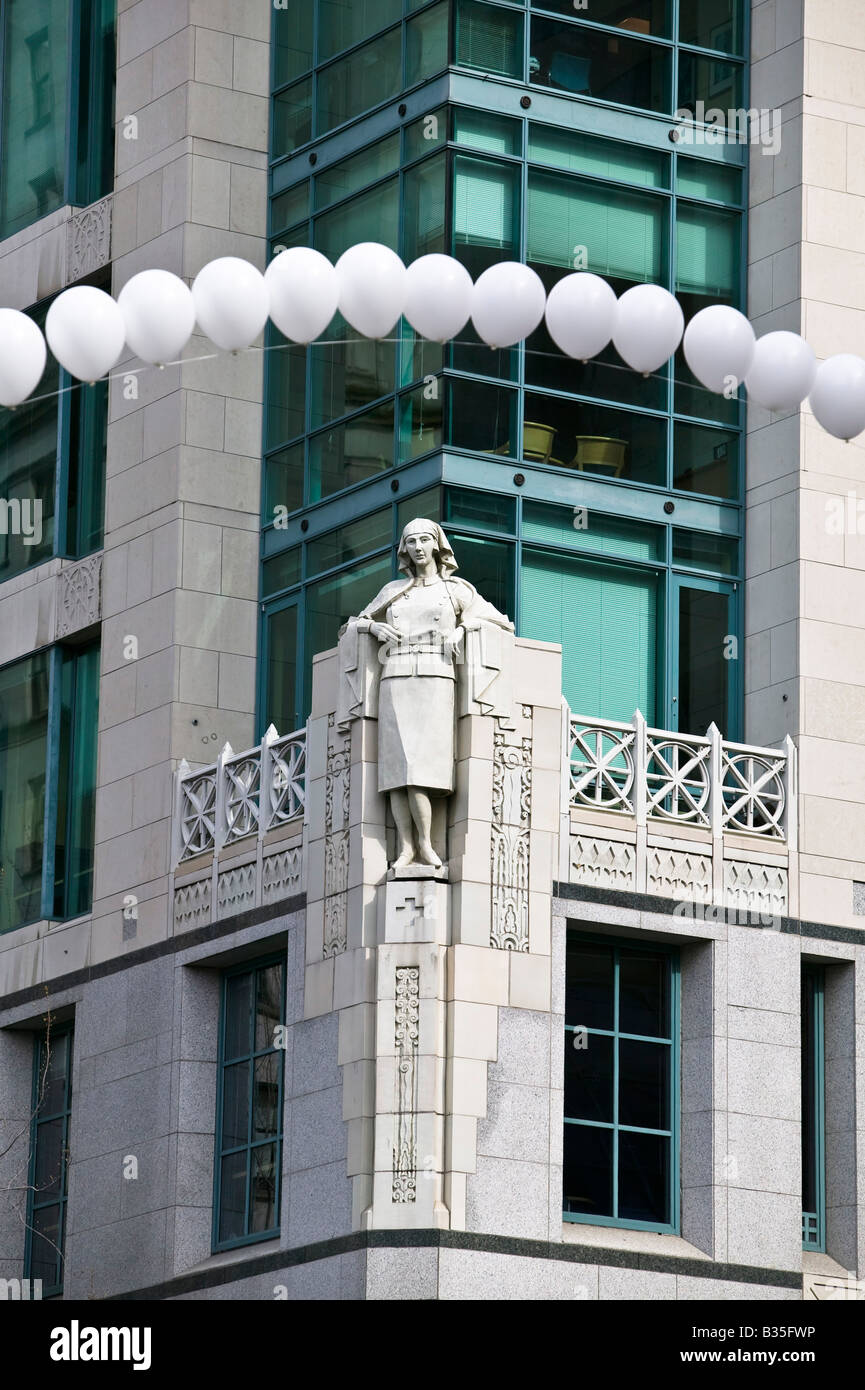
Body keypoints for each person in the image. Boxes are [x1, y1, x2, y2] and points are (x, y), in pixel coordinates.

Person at [348, 518, 512, 870]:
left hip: (436, 676)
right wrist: (374, 625)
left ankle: (425, 842)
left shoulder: (456, 591)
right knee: (396, 769)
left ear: (437, 545)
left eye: (424, 539)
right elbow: (352, 624)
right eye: (411, 541)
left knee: (422, 766)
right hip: (395, 676)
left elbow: (499, 621)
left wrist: (463, 629)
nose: (418, 547)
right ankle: (406, 846)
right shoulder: (393, 591)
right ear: (403, 549)